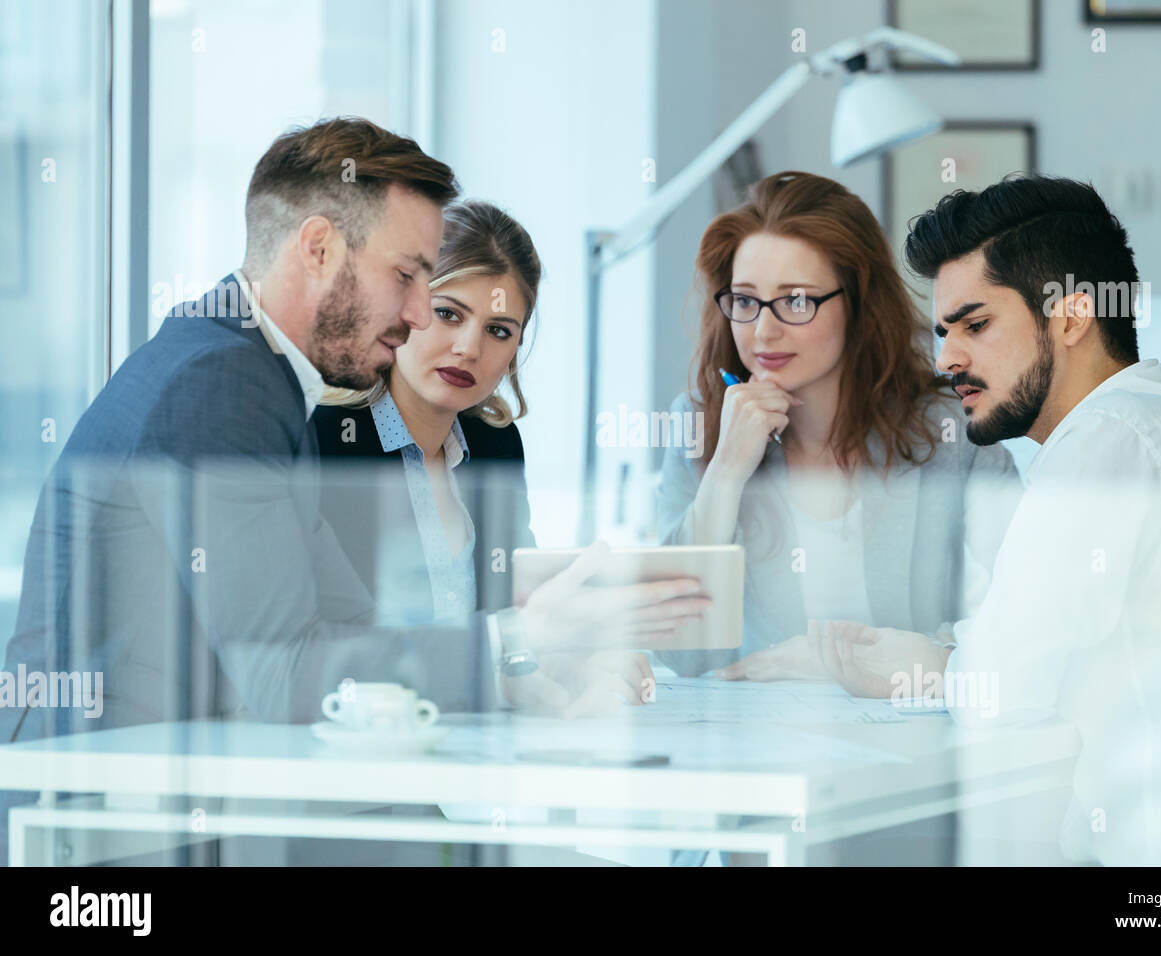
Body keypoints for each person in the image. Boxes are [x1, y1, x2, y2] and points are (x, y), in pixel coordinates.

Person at [0, 118, 702, 861]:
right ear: (317, 248)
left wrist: (531, 665)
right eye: (406, 277)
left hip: (166, 806)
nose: (414, 314)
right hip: (106, 833)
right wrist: (519, 641)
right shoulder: (222, 382)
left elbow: (347, 625)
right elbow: (284, 671)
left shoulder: (258, 372)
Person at [813, 174, 1161, 865]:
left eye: (976, 325)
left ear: (1071, 317)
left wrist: (922, 668)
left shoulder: (1105, 446)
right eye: (943, 331)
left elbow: (1002, 696)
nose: (947, 359)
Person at [656, 171, 1021, 683]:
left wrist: (921, 656)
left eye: (797, 300)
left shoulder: (947, 429)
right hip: (753, 734)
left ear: (858, 301)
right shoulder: (697, 421)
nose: (763, 330)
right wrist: (724, 475)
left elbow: (1033, 603)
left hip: (907, 734)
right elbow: (679, 653)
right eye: (744, 300)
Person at [313, 199, 673, 715]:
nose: (468, 347)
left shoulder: (493, 444)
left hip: (472, 733)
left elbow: (512, 619)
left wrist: (575, 655)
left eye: (498, 330)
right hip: (364, 738)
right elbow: (329, 648)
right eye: (448, 314)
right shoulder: (325, 441)